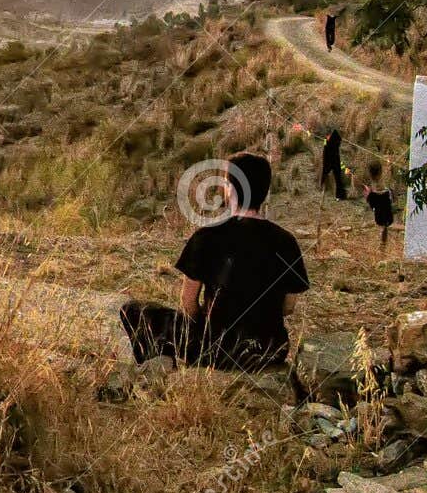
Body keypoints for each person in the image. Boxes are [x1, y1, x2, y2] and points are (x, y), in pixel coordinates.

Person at [119, 154, 309, 370]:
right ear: (264, 191)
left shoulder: (207, 237)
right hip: (269, 350)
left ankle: (159, 371)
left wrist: (207, 323)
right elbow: (288, 307)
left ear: (229, 188)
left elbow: (188, 302)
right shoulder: (286, 241)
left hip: (217, 350)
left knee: (133, 310)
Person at [364, 178, 395, 248]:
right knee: (384, 223)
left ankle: (383, 242)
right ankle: (383, 242)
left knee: (383, 223)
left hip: (380, 196)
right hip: (383, 196)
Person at [320, 130, 347, 200]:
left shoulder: (333, 144)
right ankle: (324, 186)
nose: (327, 137)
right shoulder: (329, 143)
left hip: (334, 162)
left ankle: (341, 195)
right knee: (331, 176)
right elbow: (325, 150)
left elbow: (327, 149)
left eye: (329, 136)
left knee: (338, 179)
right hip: (329, 161)